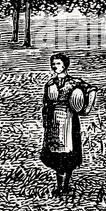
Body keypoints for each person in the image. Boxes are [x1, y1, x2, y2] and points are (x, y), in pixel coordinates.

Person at [40, 52, 96, 197]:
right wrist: (46, 120)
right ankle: (60, 186)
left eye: (58, 63)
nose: (54, 66)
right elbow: (46, 103)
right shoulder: (50, 83)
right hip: (54, 121)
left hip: (69, 120)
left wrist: (87, 109)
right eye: (53, 63)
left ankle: (64, 186)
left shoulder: (74, 82)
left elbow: (91, 90)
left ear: (65, 65)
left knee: (69, 155)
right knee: (55, 154)